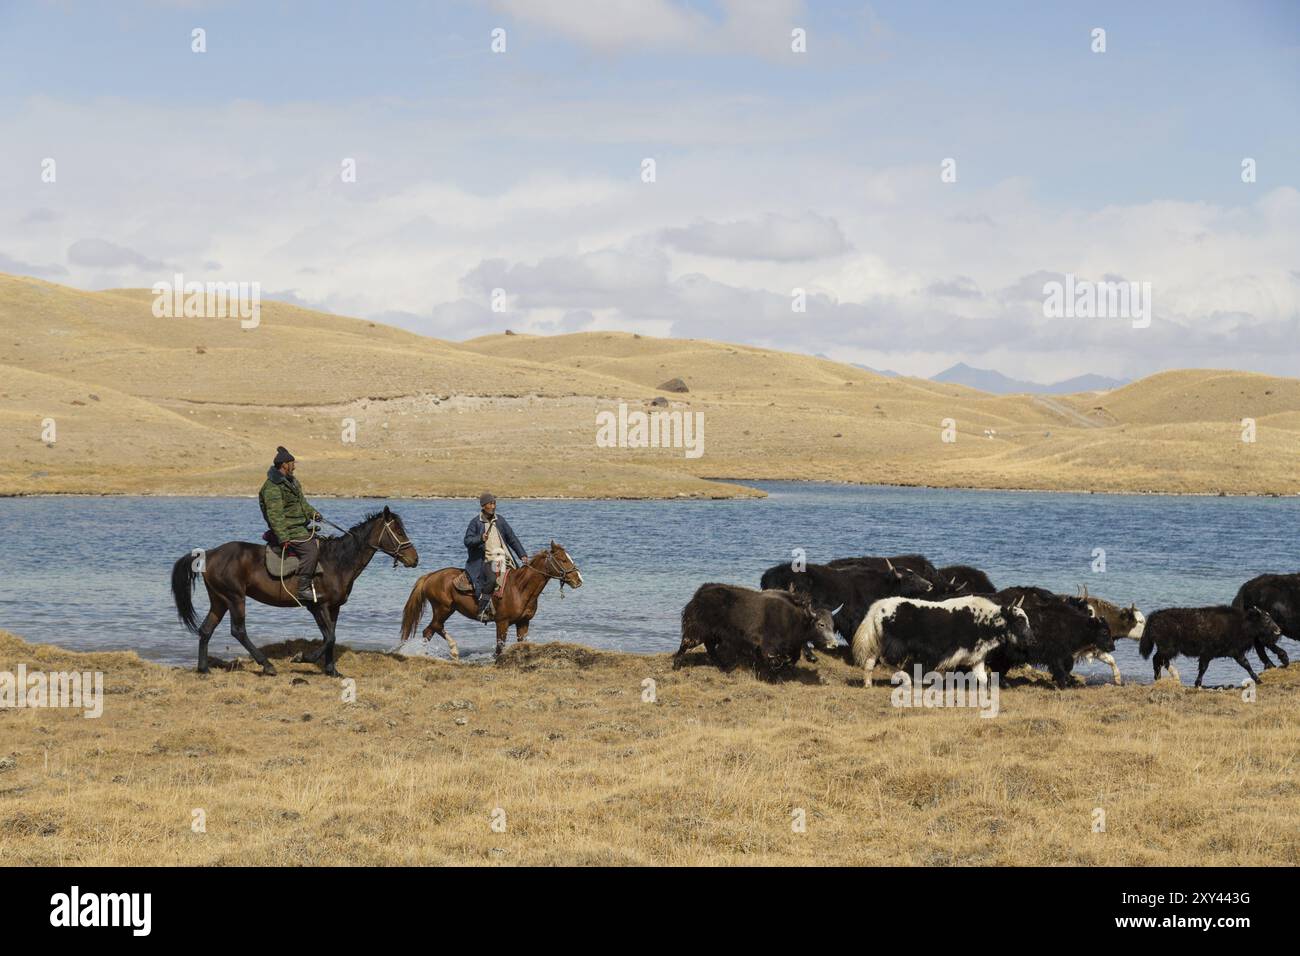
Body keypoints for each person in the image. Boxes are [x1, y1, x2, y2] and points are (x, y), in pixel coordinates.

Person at [259, 446, 322, 604]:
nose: (294, 466)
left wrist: (313, 514)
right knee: (311, 552)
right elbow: (275, 515)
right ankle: (302, 589)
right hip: (289, 530)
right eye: (292, 463)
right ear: (284, 465)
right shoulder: (272, 487)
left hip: (299, 526)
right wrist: (283, 537)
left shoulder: (292, 481)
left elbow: (303, 503)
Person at [464, 491, 527, 621]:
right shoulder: (476, 522)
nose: (493, 506)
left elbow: (512, 539)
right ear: (483, 506)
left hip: (505, 559)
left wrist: (522, 555)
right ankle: (483, 608)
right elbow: (467, 541)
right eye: (490, 504)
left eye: (494, 503)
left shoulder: (500, 520)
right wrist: (480, 538)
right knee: (492, 579)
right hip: (487, 560)